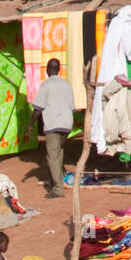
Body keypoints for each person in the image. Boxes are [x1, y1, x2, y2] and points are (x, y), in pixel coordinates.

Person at [31, 58, 75, 198]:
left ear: (47, 70)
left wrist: (30, 125)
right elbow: (73, 108)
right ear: (59, 70)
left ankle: (58, 189)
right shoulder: (67, 85)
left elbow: (38, 108)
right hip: (67, 124)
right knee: (58, 153)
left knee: (53, 156)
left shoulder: (46, 85)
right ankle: (55, 182)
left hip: (53, 124)